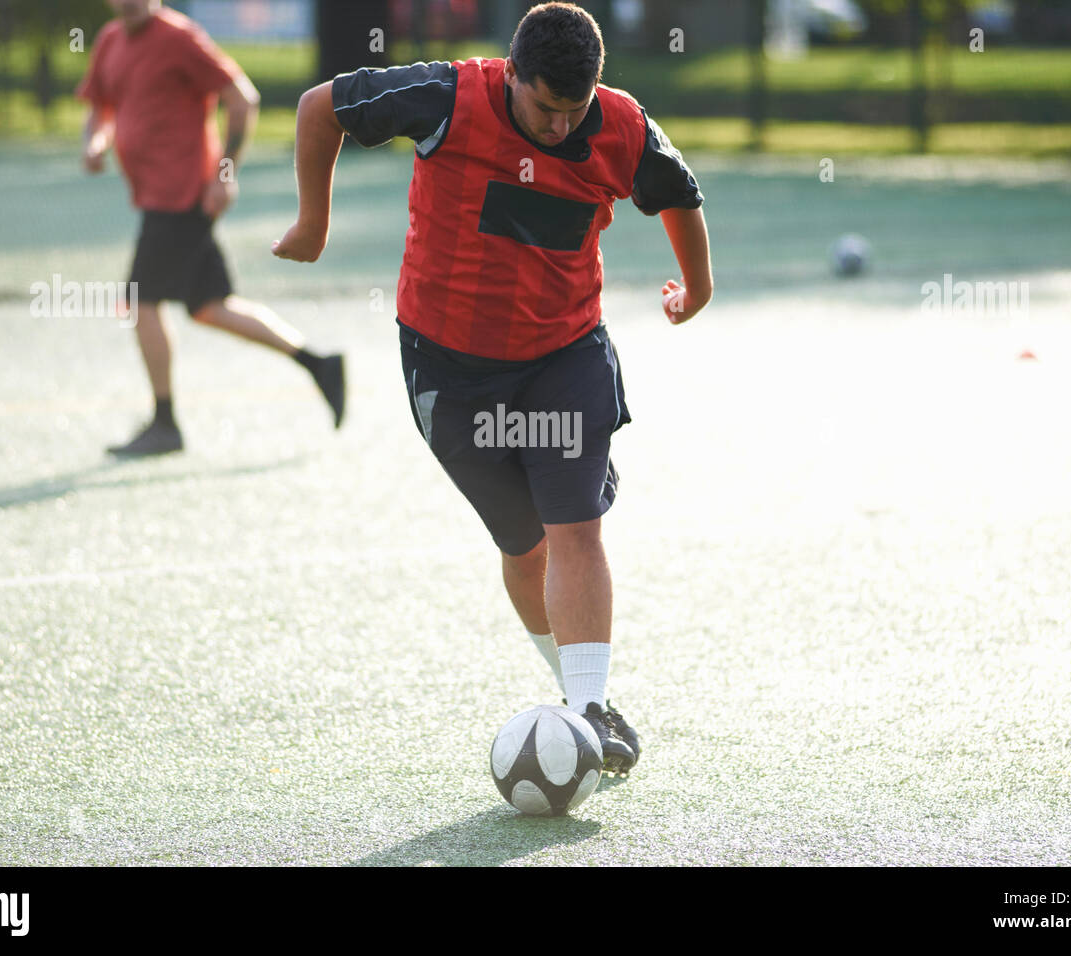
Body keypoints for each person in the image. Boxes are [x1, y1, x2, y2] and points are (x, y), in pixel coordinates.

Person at [273, 2, 712, 775]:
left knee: (576, 525)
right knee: (525, 547)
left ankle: (588, 710)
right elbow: (321, 107)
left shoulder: (621, 125)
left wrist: (698, 289)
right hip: (451, 369)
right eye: (545, 107)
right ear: (512, 74)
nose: (558, 126)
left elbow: (677, 193)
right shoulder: (445, 98)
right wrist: (314, 222)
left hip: (564, 354)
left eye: (573, 110)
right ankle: (573, 691)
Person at [78, 0, 344, 456]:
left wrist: (224, 174)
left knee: (141, 301)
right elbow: (101, 108)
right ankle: (318, 364)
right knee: (209, 307)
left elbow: (243, 98)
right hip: (154, 198)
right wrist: (96, 143)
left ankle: (165, 423)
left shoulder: (179, 38)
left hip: (182, 198)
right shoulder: (109, 41)